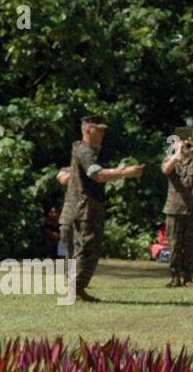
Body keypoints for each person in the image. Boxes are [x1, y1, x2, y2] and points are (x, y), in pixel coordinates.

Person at [58, 115, 142, 302]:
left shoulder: (87, 150)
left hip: (83, 207)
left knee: (84, 248)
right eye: (99, 129)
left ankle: (76, 289)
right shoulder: (85, 150)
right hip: (84, 208)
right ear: (88, 129)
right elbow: (97, 175)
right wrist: (124, 173)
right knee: (87, 248)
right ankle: (75, 289)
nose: (103, 133)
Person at [160, 127, 193, 288]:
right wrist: (177, 154)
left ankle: (188, 277)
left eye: (187, 140)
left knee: (191, 244)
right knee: (174, 244)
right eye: (182, 140)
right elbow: (165, 170)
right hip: (174, 208)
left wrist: (192, 156)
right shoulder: (170, 157)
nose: (185, 143)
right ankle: (175, 277)